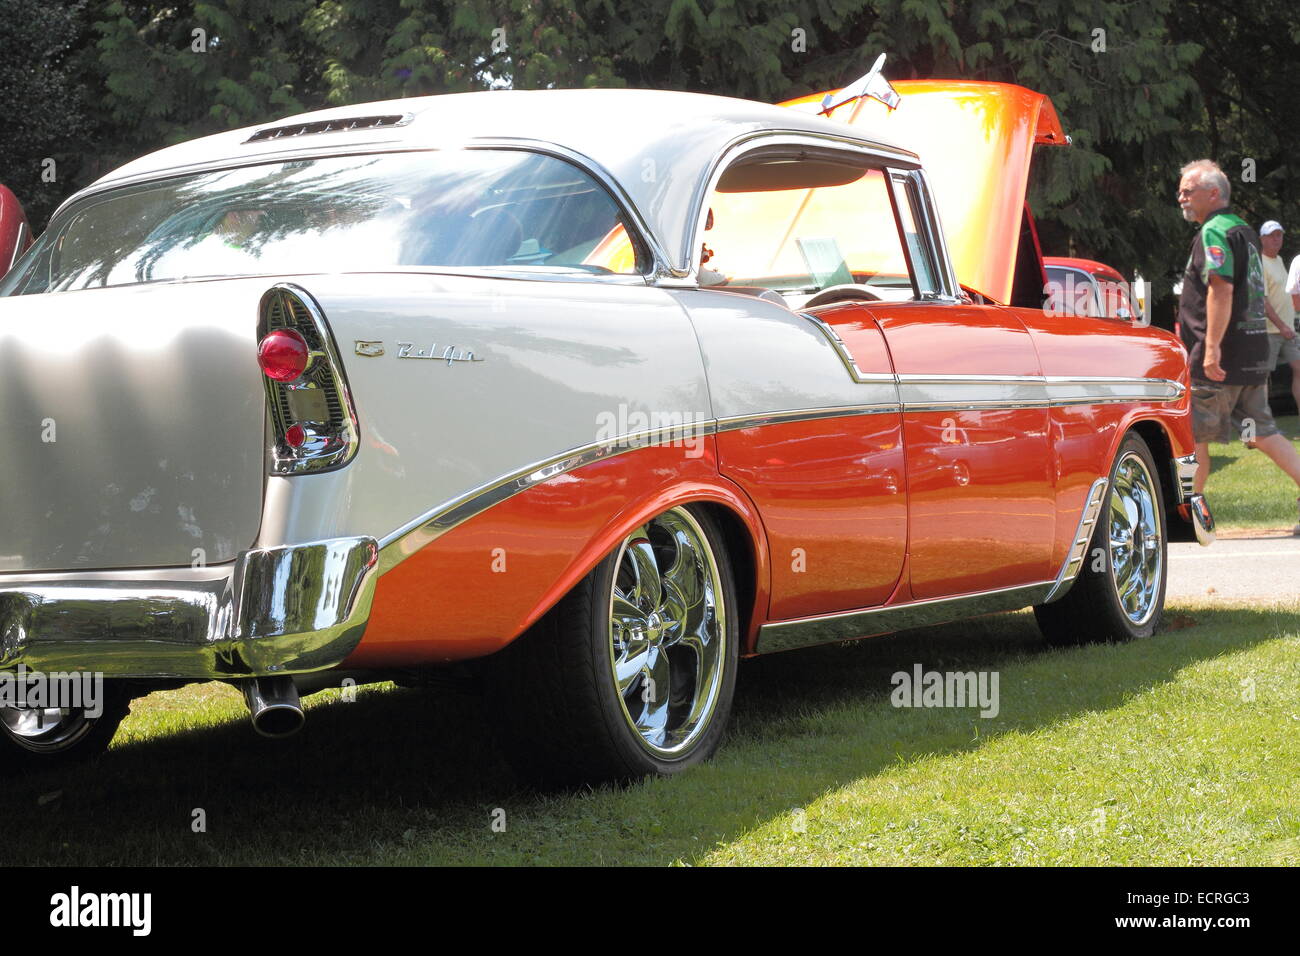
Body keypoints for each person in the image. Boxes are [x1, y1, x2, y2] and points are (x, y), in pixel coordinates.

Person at [1175, 160, 1300, 534]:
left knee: (1193, 438)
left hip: (1218, 363)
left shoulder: (1214, 231)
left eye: (1187, 190)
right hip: (1252, 354)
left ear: (1213, 194)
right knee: (1262, 433)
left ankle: (1187, 519)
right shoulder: (1243, 230)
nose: (1180, 196)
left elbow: (1222, 287)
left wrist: (1210, 349)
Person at [1259, 221, 1300, 414]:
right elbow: (1263, 301)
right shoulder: (1260, 262)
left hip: (1288, 330)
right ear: (1262, 239)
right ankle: (1262, 423)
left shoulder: (1280, 260)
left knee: (1299, 370)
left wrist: (1288, 326)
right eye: (1272, 235)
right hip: (1269, 330)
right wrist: (1281, 325)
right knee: (1262, 378)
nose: (1276, 239)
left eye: (1279, 235)